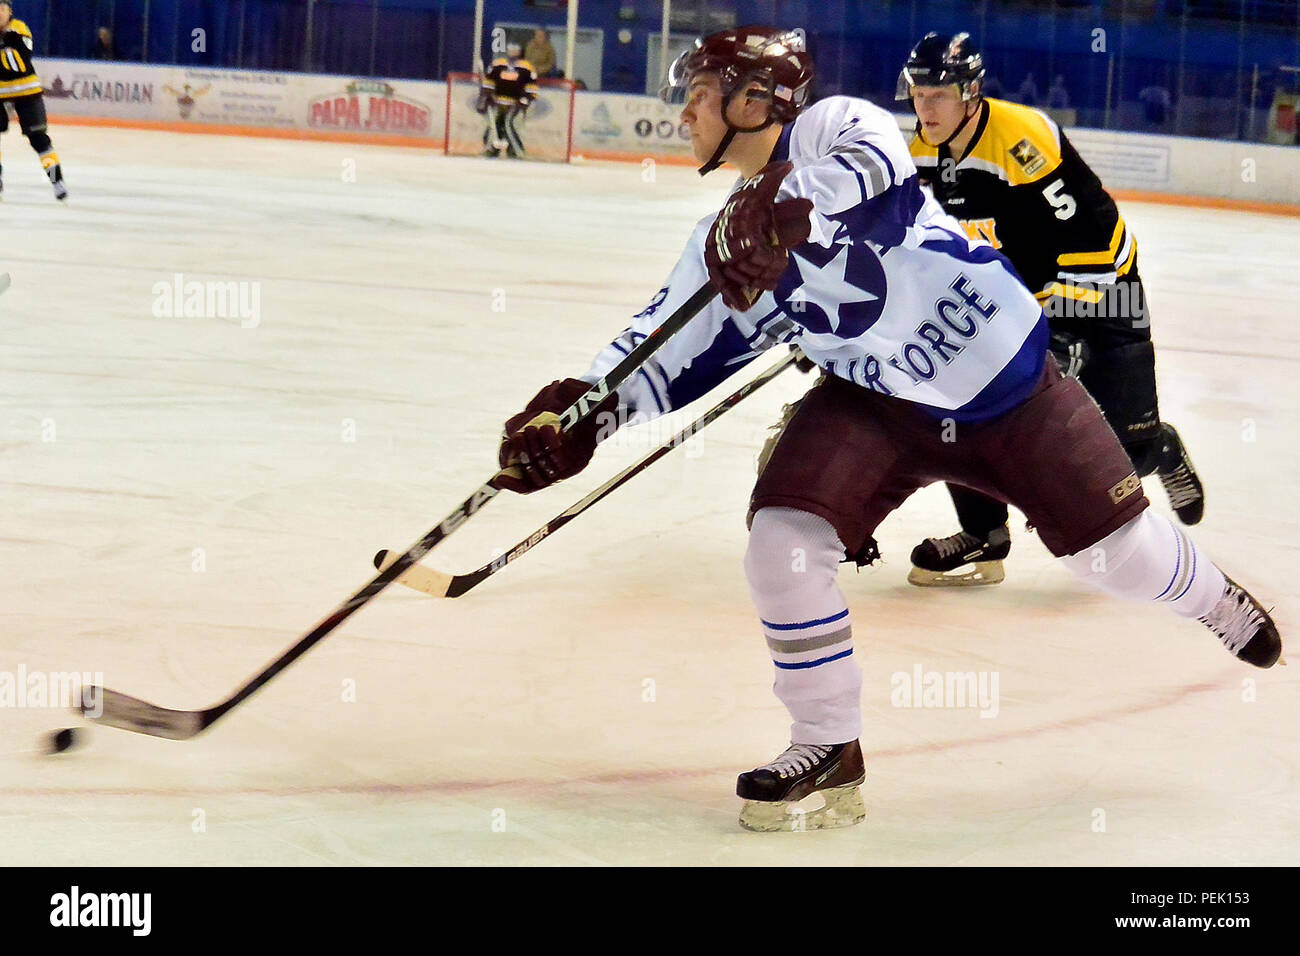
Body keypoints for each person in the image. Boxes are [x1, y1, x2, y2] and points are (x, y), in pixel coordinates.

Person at [492, 26, 1281, 832]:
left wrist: (780, 206)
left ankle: (1211, 598)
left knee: (1117, 559)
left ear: (755, 99)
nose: (684, 112)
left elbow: (871, 170)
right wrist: (582, 412)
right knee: (782, 540)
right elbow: (660, 352)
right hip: (879, 405)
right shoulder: (716, 245)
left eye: (700, 93)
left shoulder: (834, 126)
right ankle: (826, 742)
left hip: (1005, 381)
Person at [897, 32, 1202, 586]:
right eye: (918, 93)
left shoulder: (1020, 138)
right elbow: (918, 241)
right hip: (1015, 297)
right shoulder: (920, 150)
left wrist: (1064, 321)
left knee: (1123, 453)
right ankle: (983, 534)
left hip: (1106, 286)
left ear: (970, 93)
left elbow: (1088, 231)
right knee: (952, 394)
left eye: (937, 94)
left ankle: (1157, 446)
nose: (924, 107)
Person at [0, 2, 65, 199]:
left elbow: (19, 64)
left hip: (27, 92)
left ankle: (57, 181)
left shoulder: (20, 29)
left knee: (40, 140)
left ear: (9, 11)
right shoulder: (12, 36)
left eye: (1, 9)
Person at [476, 42, 538, 159]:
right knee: (493, 125)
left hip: (515, 104)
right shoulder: (497, 64)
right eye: (510, 48)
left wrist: (525, 99)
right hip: (498, 102)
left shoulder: (527, 67)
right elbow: (489, 81)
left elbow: (531, 86)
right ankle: (492, 148)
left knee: (509, 124)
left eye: (515, 49)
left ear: (520, 52)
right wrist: (486, 95)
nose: (512, 51)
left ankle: (516, 150)